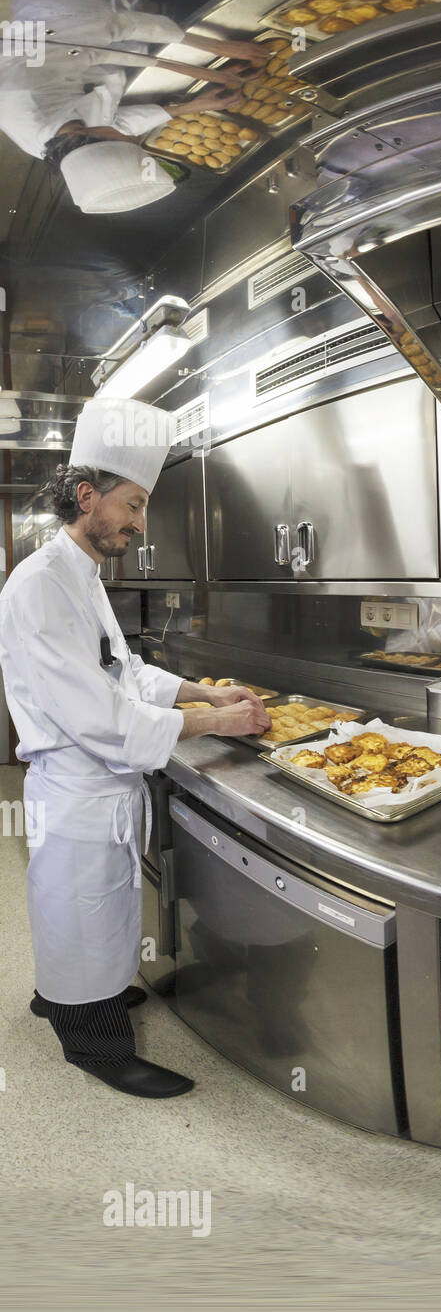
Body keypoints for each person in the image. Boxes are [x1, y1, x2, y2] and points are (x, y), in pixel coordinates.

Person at [4, 397, 269, 1097]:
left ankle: (74, 994)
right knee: (80, 905)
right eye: (133, 503)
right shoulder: (39, 587)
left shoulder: (81, 577)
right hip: (77, 782)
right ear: (87, 497)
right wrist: (219, 726)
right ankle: (91, 1044)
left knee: (99, 907)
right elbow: (99, 716)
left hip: (100, 787)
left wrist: (201, 696)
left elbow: (126, 672)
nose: (139, 523)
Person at [3, 0, 269, 212]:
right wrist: (193, 106)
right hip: (83, 56)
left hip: (58, 23)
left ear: (74, 139)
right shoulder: (67, 145)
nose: (131, 137)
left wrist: (217, 49)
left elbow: (112, 28)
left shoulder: (25, 92)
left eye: (125, 141)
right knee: (127, 9)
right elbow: (117, 127)